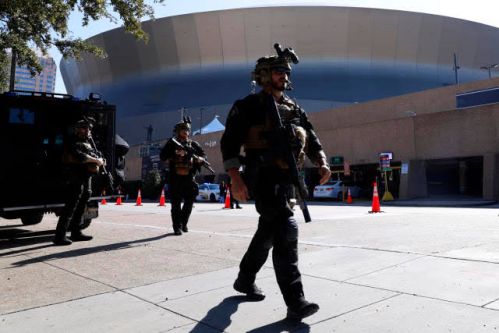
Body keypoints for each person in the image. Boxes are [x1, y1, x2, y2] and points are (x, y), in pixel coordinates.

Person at [220, 44, 331, 320]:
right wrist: (235, 178)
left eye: (286, 71)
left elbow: (312, 138)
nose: (284, 75)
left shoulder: (294, 108)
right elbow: (229, 143)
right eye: (278, 71)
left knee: (267, 233)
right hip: (262, 176)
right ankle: (296, 302)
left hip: (288, 178)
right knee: (286, 229)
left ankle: (245, 279)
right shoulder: (248, 106)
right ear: (264, 75)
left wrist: (322, 161)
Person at [53, 118, 104, 246]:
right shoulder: (72, 141)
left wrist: (100, 159)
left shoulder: (88, 142)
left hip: (87, 178)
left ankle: (76, 232)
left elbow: (97, 155)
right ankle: (60, 236)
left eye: (88, 128)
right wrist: (97, 161)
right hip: (75, 177)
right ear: (77, 129)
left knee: (81, 207)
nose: (87, 130)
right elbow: (79, 156)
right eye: (84, 128)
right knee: (70, 207)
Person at [160, 117, 206, 235]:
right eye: (183, 130)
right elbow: (162, 156)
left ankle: (183, 223)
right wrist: (175, 154)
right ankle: (177, 227)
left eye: (187, 130)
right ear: (178, 131)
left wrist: (201, 159)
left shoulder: (194, 144)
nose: (186, 132)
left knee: (189, 202)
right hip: (175, 177)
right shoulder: (172, 143)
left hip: (189, 177)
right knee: (175, 203)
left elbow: (203, 156)